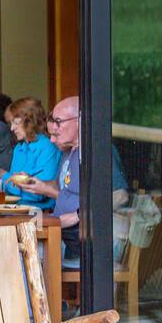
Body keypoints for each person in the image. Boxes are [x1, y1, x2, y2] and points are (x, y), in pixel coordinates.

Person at [23, 96, 129, 265]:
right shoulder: (68, 151)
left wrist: (81, 214)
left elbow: (120, 196)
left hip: (87, 240)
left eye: (58, 124)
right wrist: (41, 186)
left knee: (26, 252)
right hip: (65, 232)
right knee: (22, 240)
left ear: (80, 121)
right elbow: (64, 190)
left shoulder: (97, 150)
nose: (51, 139)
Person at [0, 97, 60, 210]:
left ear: (30, 121)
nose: (12, 128)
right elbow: (13, 187)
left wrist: (4, 176)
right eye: (10, 123)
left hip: (42, 214)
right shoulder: (19, 148)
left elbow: (38, 194)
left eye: (16, 122)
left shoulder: (47, 147)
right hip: (16, 211)